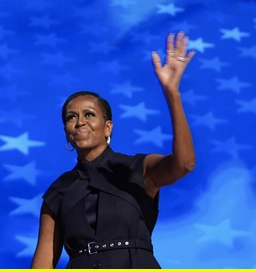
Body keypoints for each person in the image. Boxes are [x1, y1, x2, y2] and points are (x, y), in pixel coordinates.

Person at [30, 32, 196, 268]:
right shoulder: (59, 190)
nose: (80, 122)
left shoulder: (137, 168)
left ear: (108, 127)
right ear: (66, 132)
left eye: (89, 114)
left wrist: (172, 93)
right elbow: (42, 265)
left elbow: (184, 164)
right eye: (71, 117)